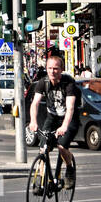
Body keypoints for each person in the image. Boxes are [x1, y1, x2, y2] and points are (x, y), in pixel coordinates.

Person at [27, 53, 81, 189]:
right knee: (43, 148)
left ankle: (69, 169)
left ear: (61, 70)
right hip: (52, 118)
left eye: (56, 68)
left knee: (62, 146)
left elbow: (70, 108)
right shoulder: (43, 83)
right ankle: (41, 179)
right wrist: (33, 121)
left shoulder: (68, 83)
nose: (52, 71)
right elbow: (35, 103)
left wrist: (64, 127)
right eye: (49, 68)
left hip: (69, 119)